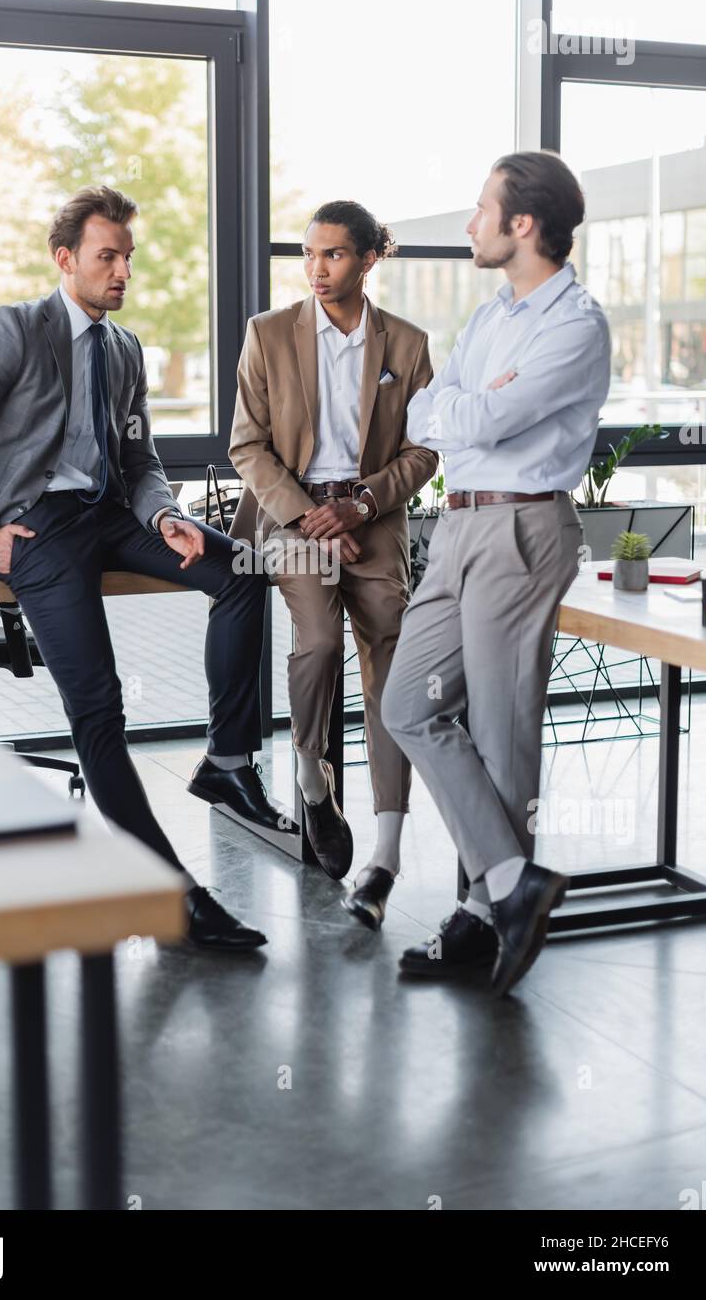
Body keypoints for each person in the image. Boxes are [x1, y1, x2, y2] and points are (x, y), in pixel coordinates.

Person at [0, 185, 289, 953]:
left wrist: (164, 515)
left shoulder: (124, 349)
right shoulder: (17, 330)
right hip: (38, 531)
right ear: (66, 260)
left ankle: (225, 760)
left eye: (127, 258)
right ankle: (171, 896)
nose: (121, 271)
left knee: (242, 573)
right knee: (100, 708)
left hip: (112, 514)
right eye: (106, 256)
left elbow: (141, 457)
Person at [381, 151, 610, 995]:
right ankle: (513, 886)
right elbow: (429, 413)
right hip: (459, 525)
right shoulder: (488, 319)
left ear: (523, 225)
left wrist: (465, 411)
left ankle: (481, 918)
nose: (470, 225)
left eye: (482, 210)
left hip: (521, 528)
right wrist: (463, 411)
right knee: (408, 704)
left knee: (500, 731)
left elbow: (482, 414)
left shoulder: (574, 324)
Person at [229, 200, 437, 925]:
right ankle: (313, 783)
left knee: (392, 676)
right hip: (291, 516)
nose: (317, 269)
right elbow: (247, 445)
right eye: (309, 254)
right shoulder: (266, 334)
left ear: (369, 258)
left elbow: (424, 451)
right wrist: (308, 517)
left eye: (335, 256)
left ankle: (384, 851)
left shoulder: (407, 346)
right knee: (316, 643)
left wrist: (359, 507)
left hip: (370, 523)